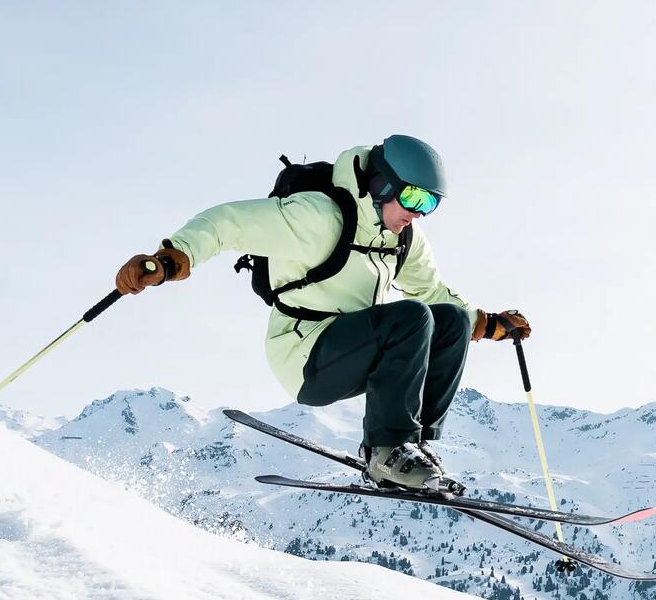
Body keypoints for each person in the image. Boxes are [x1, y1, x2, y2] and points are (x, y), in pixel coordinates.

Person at [115, 136, 530, 492]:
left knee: (449, 320)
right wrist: (174, 256)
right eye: (414, 198)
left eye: (431, 203)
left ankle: (411, 447)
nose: (419, 212)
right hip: (304, 354)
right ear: (382, 184)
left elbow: (434, 291)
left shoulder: (405, 238)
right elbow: (228, 223)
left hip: (359, 350)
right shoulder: (318, 216)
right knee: (412, 317)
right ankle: (387, 450)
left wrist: (488, 324)